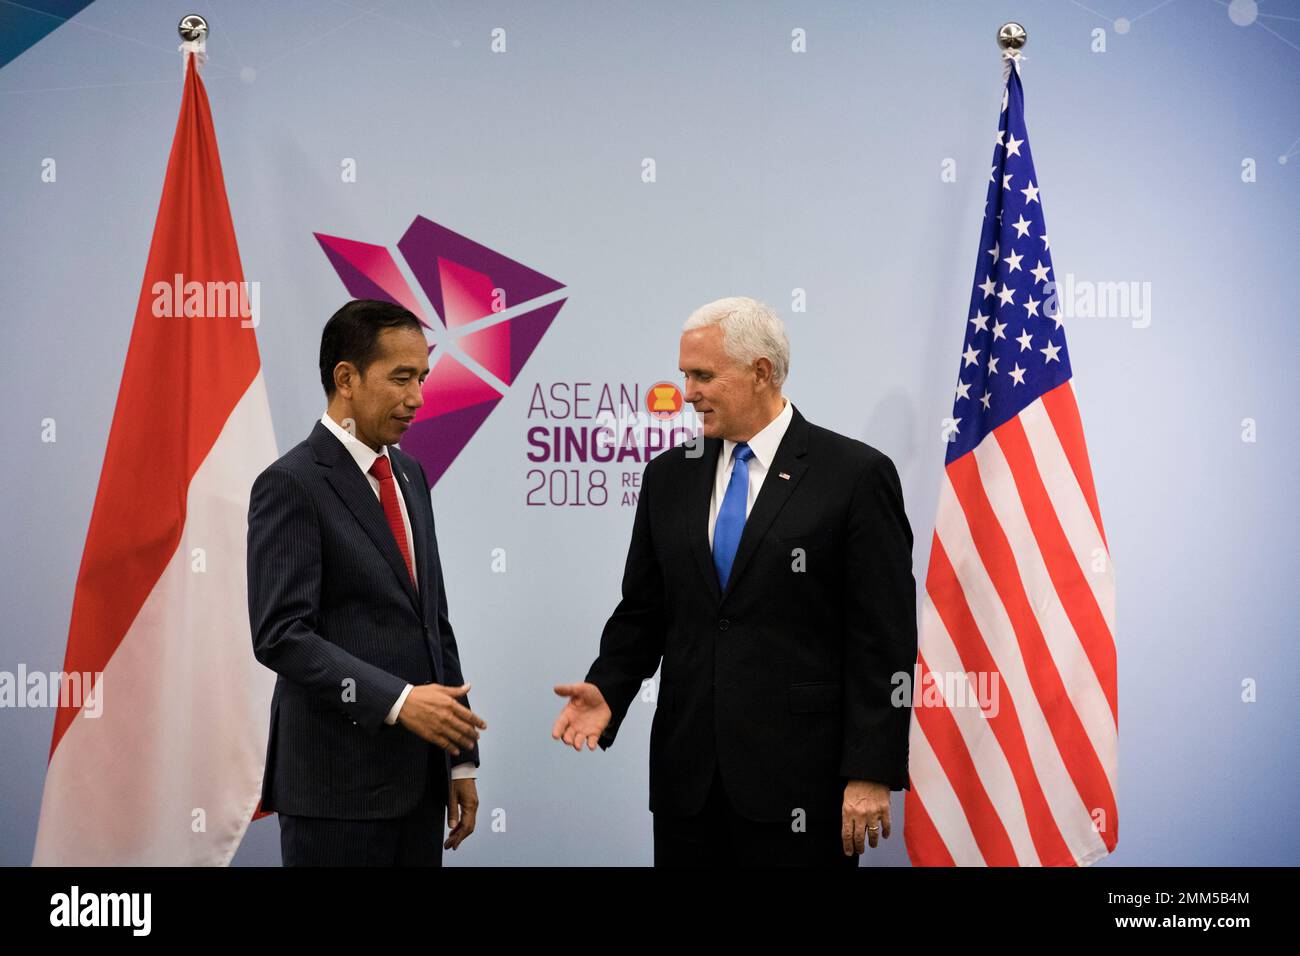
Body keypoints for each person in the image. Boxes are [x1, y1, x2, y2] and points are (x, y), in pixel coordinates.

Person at [552, 296, 917, 866]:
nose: (687, 392)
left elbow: (883, 639)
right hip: (688, 788)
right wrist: (610, 687)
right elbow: (644, 610)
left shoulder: (854, 476)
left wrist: (870, 771)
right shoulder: (669, 476)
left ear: (760, 372)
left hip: (802, 788)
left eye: (702, 375)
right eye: (684, 376)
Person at [248, 298, 486, 866]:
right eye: (401, 378)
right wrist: (400, 703)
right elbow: (281, 634)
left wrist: (459, 757)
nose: (418, 398)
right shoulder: (290, 484)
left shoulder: (409, 472)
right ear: (346, 379)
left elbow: (433, 623)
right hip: (336, 794)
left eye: (423, 378)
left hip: (419, 786)